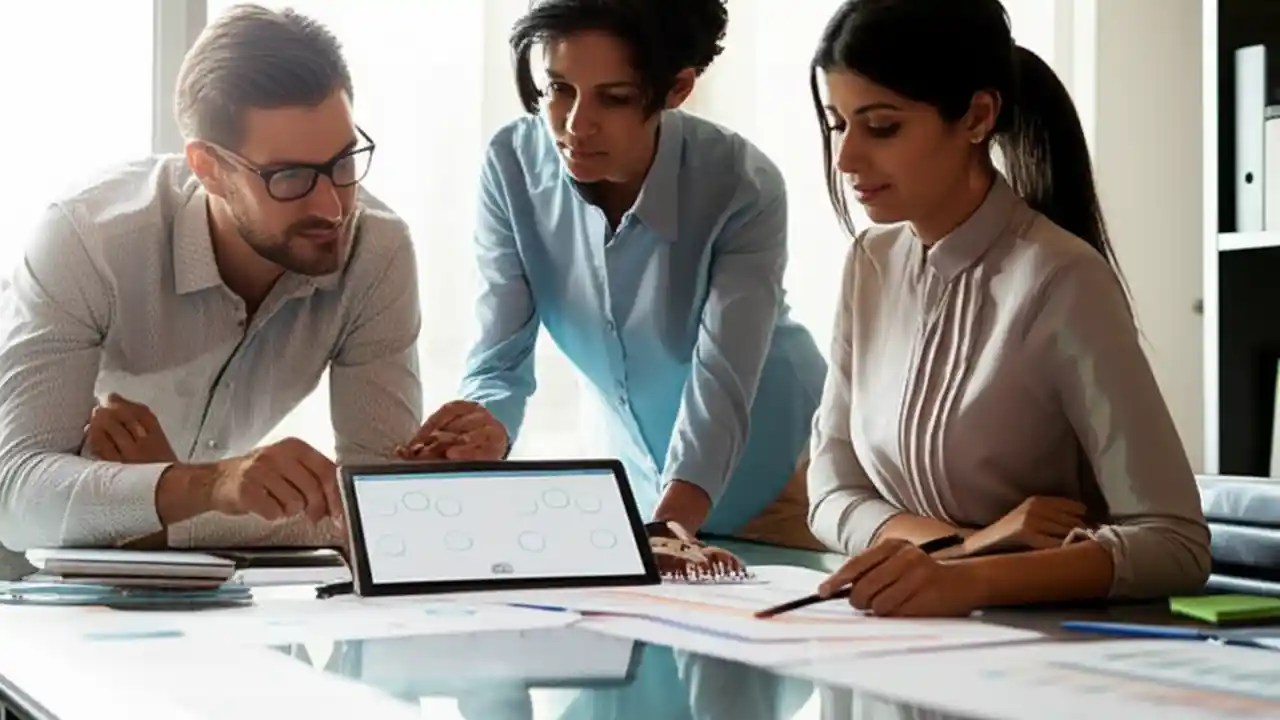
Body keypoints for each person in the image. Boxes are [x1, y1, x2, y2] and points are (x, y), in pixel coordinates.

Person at [0, 4, 504, 580]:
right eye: (289, 177)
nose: (332, 207)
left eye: (343, 163)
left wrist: (167, 498)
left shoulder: (377, 251)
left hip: (197, 581)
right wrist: (212, 484)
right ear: (209, 169)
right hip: (23, 579)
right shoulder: (88, 239)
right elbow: (17, 499)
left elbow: (373, 518)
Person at [805, 0, 1210, 616]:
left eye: (881, 127)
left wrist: (970, 579)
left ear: (976, 116)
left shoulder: (1061, 278)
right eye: (838, 124)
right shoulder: (870, 263)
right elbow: (831, 493)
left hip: (1041, 665)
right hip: (903, 641)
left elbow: (1175, 544)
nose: (846, 158)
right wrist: (966, 547)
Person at [405, 0, 827, 551]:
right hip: (641, 493)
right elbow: (499, 359)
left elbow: (721, 379)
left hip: (789, 484)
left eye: (615, 97)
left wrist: (669, 527)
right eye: (559, 89)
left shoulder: (739, 184)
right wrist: (489, 426)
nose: (577, 124)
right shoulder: (512, 164)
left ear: (676, 89)